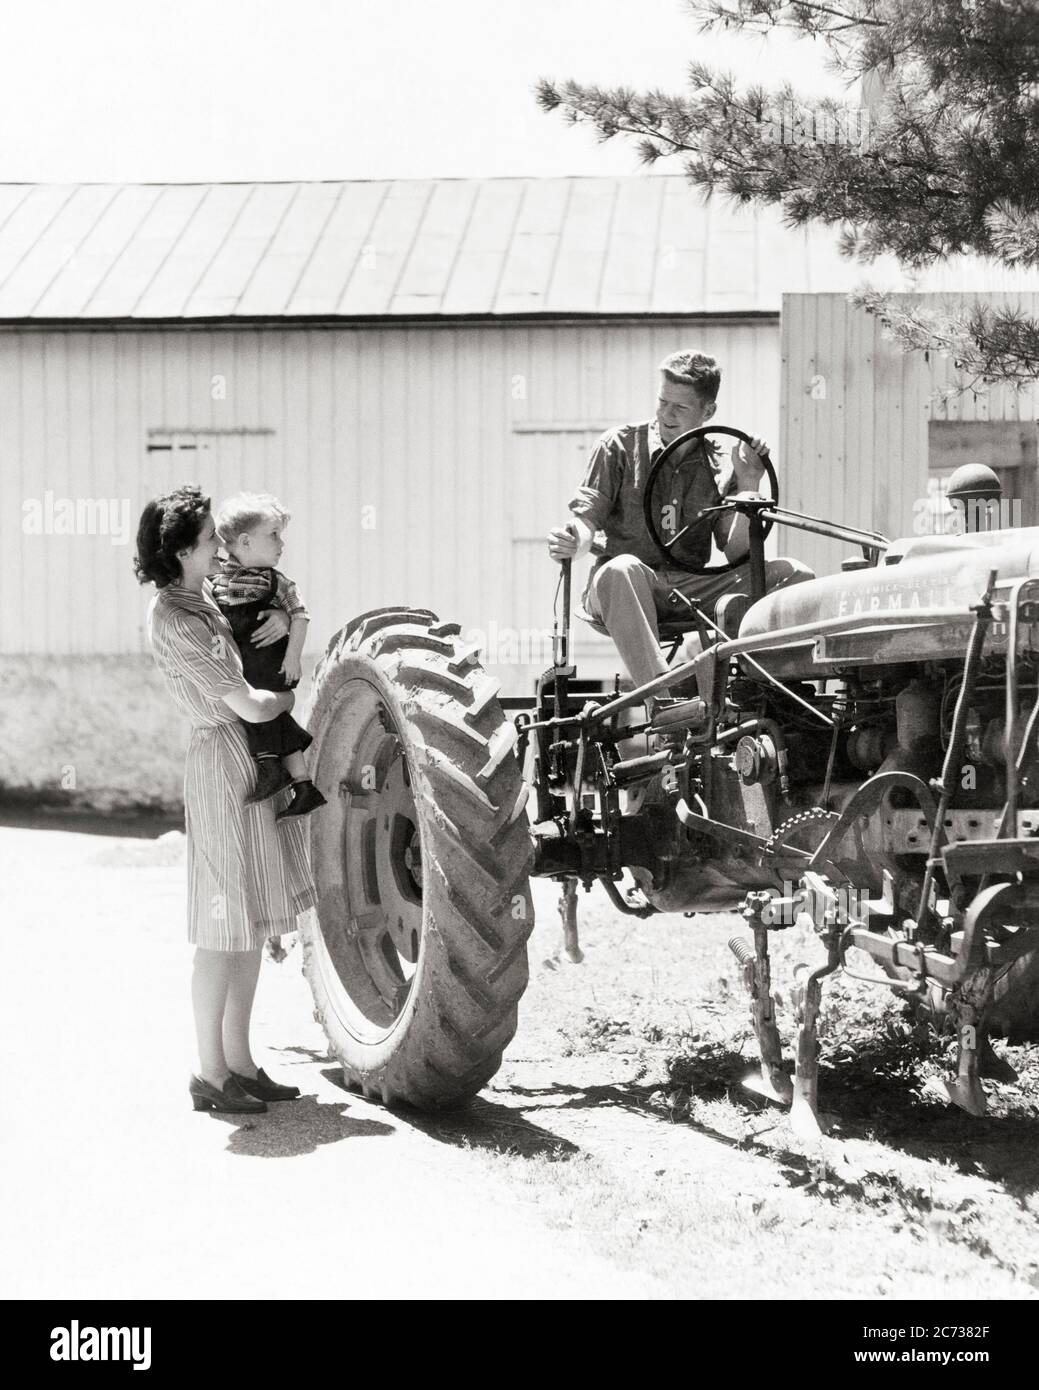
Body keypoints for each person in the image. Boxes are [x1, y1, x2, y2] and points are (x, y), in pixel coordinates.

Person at [134, 484, 318, 1115]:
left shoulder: (203, 598)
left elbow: (265, 620)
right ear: (182, 549)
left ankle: (239, 1062)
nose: (220, 548)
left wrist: (283, 622)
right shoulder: (176, 617)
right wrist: (291, 700)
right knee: (220, 927)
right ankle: (209, 1074)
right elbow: (249, 701)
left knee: (247, 922)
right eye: (211, 539)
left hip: (247, 754)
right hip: (221, 758)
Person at [546, 349, 814, 704]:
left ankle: (756, 691)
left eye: (680, 408)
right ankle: (665, 702)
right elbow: (585, 521)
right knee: (619, 569)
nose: (665, 415)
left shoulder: (719, 463)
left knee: (795, 576)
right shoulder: (620, 446)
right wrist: (572, 541)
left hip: (690, 589)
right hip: (628, 587)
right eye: (662, 402)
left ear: (708, 412)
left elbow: (735, 551)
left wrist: (749, 483)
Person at [211, 492, 326, 820]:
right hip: (243, 664)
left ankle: (271, 769)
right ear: (244, 542)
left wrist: (293, 658)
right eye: (273, 535)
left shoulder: (277, 582)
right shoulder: (217, 580)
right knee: (274, 717)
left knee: (259, 711)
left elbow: (301, 615)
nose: (281, 544)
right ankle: (303, 786)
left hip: (268, 661)